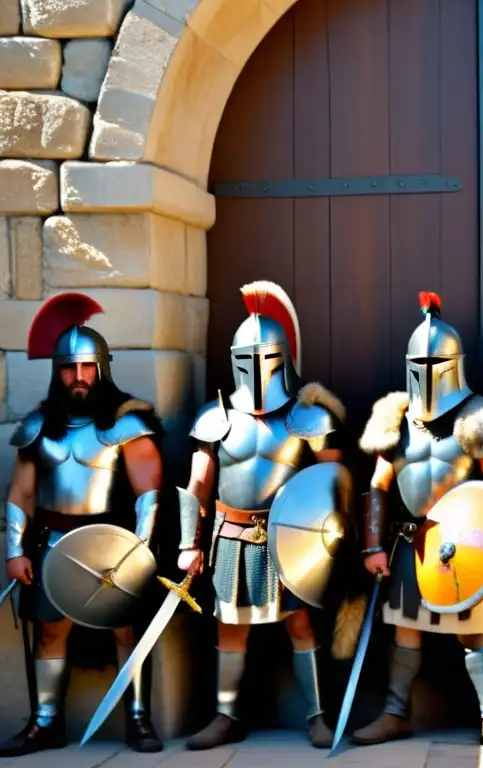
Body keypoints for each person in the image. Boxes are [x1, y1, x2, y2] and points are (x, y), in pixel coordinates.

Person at [176, 281, 352, 750]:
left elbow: (333, 486)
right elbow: (198, 484)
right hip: (231, 532)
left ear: (283, 356)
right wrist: (188, 543)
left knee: (299, 623)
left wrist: (330, 538)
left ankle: (316, 715)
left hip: (289, 538)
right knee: (229, 623)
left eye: (266, 357)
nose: (256, 369)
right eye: (247, 359)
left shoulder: (308, 416)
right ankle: (226, 716)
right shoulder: (215, 418)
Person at [350, 292, 483, 752]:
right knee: (406, 629)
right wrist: (371, 546)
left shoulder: (478, 417)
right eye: (418, 364)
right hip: (411, 542)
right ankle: (395, 712)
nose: (427, 374)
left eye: (435, 364)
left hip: (468, 545)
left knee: (474, 631)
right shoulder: (395, 418)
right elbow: (380, 484)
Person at [0, 293, 164, 756]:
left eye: (87, 367)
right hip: (52, 543)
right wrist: (14, 552)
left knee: (126, 628)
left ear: (102, 368)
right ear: (57, 370)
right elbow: (21, 494)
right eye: (70, 368)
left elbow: (148, 494)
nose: (78, 376)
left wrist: (141, 553)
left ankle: (139, 718)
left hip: (113, 547)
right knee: (50, 630)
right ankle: (45, 723)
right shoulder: (37, 427)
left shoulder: (126, 424)